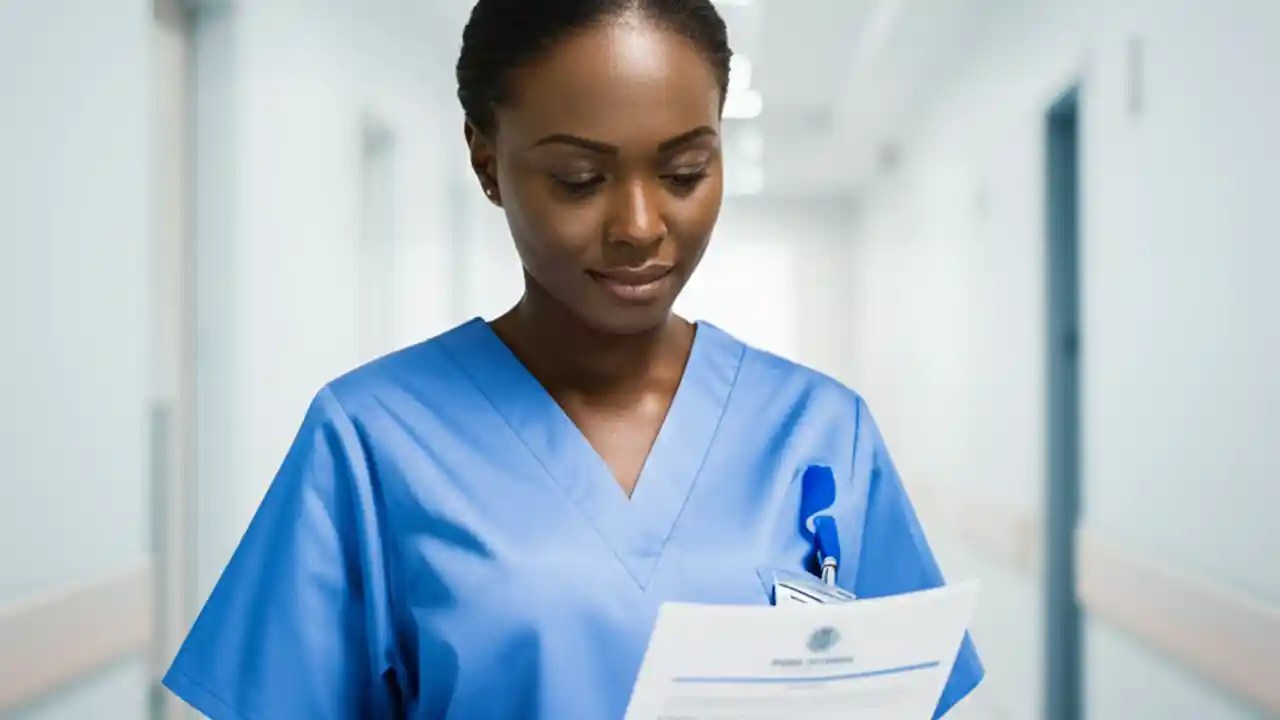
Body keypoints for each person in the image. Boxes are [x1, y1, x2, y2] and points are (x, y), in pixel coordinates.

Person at [162, 1, 983, 717]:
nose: (638, 225)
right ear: (487, 160)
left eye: (684, 171)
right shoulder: (373, 441)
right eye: (581, 178)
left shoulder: (821, 430)